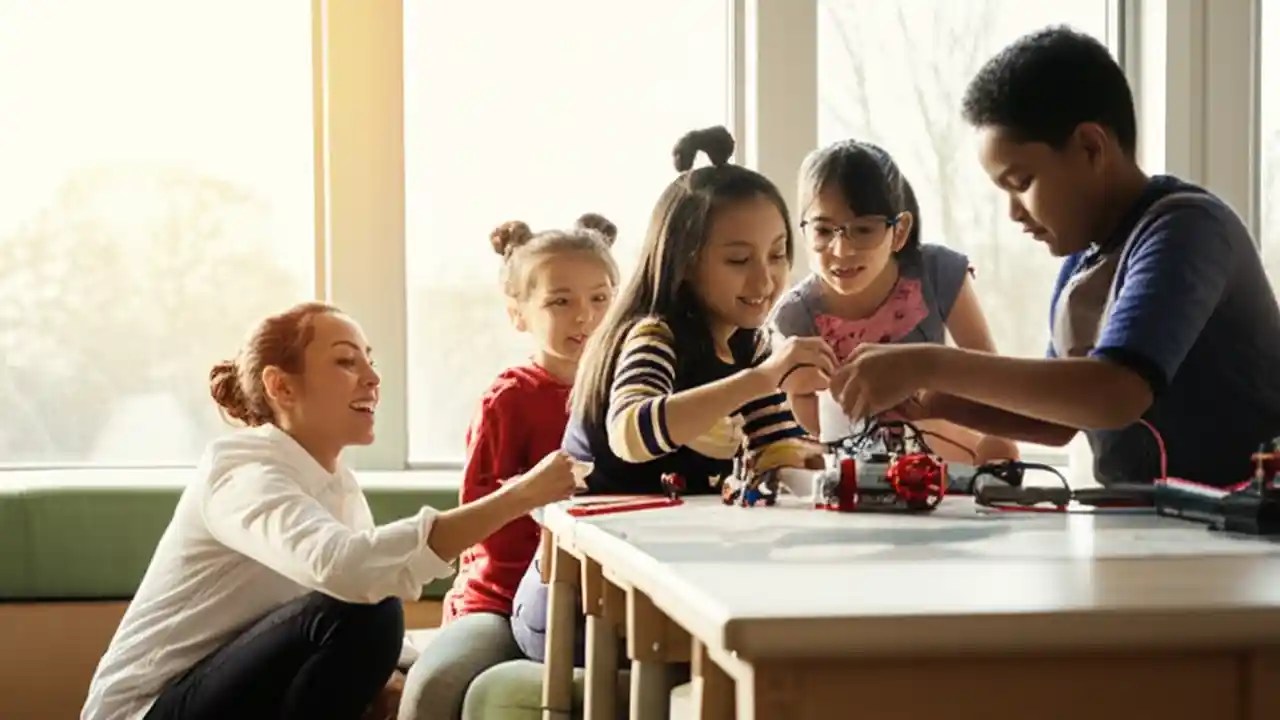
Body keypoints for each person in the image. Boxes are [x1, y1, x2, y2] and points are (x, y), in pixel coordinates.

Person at [830, 26, 1280, 487]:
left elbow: (1115, 393)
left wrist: (928, 363)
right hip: (1158, 531)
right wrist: (931, 400)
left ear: (1090, 147)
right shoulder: (1082, 263)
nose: (1013, 212)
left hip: (1241, 534)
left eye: (1021, 183)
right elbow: (1060, 422)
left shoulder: (1186, 230)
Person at [81, 302, 577, 720]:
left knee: (375, 627)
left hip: (227, 691)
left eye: (370, 361)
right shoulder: (242, 472)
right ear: (281, 387)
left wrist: (414, 672)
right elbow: (348, 572)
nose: (373, 379)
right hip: (148, 711)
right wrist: (520, 496)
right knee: (366, 613)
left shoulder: (334, 483)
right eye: (346, 363)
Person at [510, 126, 829, 665]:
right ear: (684, 261)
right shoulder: (654, 335)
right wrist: (763, 378)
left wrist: (846, 469)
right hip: (576, 602)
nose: (766, 277)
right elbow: (632, 432)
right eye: (737, 259)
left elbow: (783, 450)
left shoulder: (750, 348)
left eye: (777, 255)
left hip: (658, 590)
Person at [400, 216, 618, 720]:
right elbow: (479, 518)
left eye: (600, 298)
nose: (584, 316)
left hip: (605, 605)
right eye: (560, 301)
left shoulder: (634, 399)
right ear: (519, 314)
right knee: (436, 684)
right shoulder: (509, 399)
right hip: (499, 599)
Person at [770, 138, 1019, 463]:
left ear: (899, 232)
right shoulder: (794, 316)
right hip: (851, 457)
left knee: (1001, 449)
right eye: (824, 231)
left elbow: (991, 376)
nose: (842, 250)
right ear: (803, 232)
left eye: (863, 230)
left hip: (941, 446)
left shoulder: (938, 273)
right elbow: (814, 426)